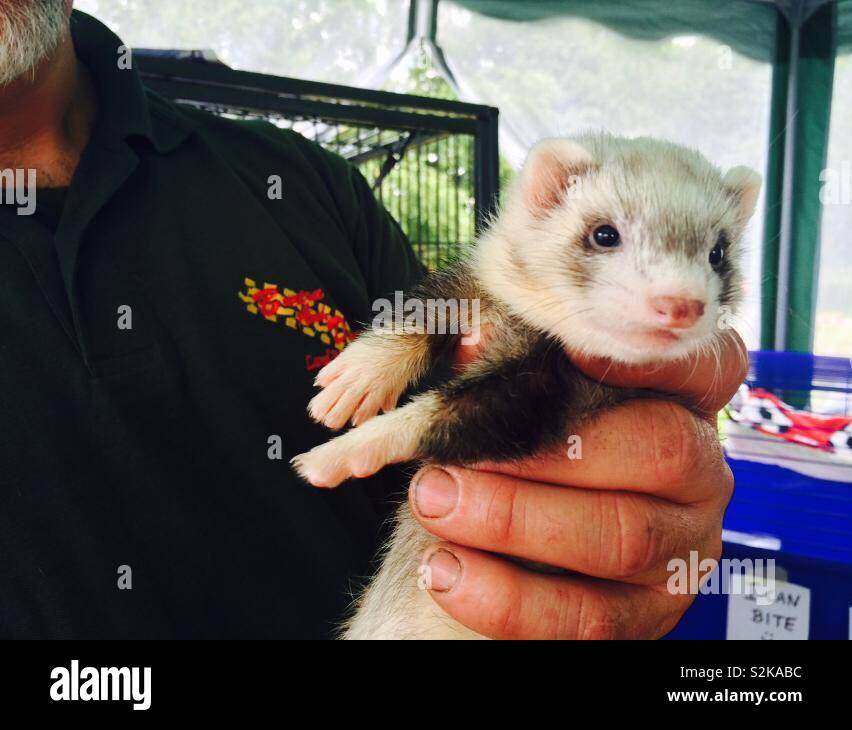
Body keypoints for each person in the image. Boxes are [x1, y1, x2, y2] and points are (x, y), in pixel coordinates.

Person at [0, 2, 745, 639]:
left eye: (711, 255)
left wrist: (625, 536)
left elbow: (487, 394)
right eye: (608, 239)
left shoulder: (304, 187)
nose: (679, 292)